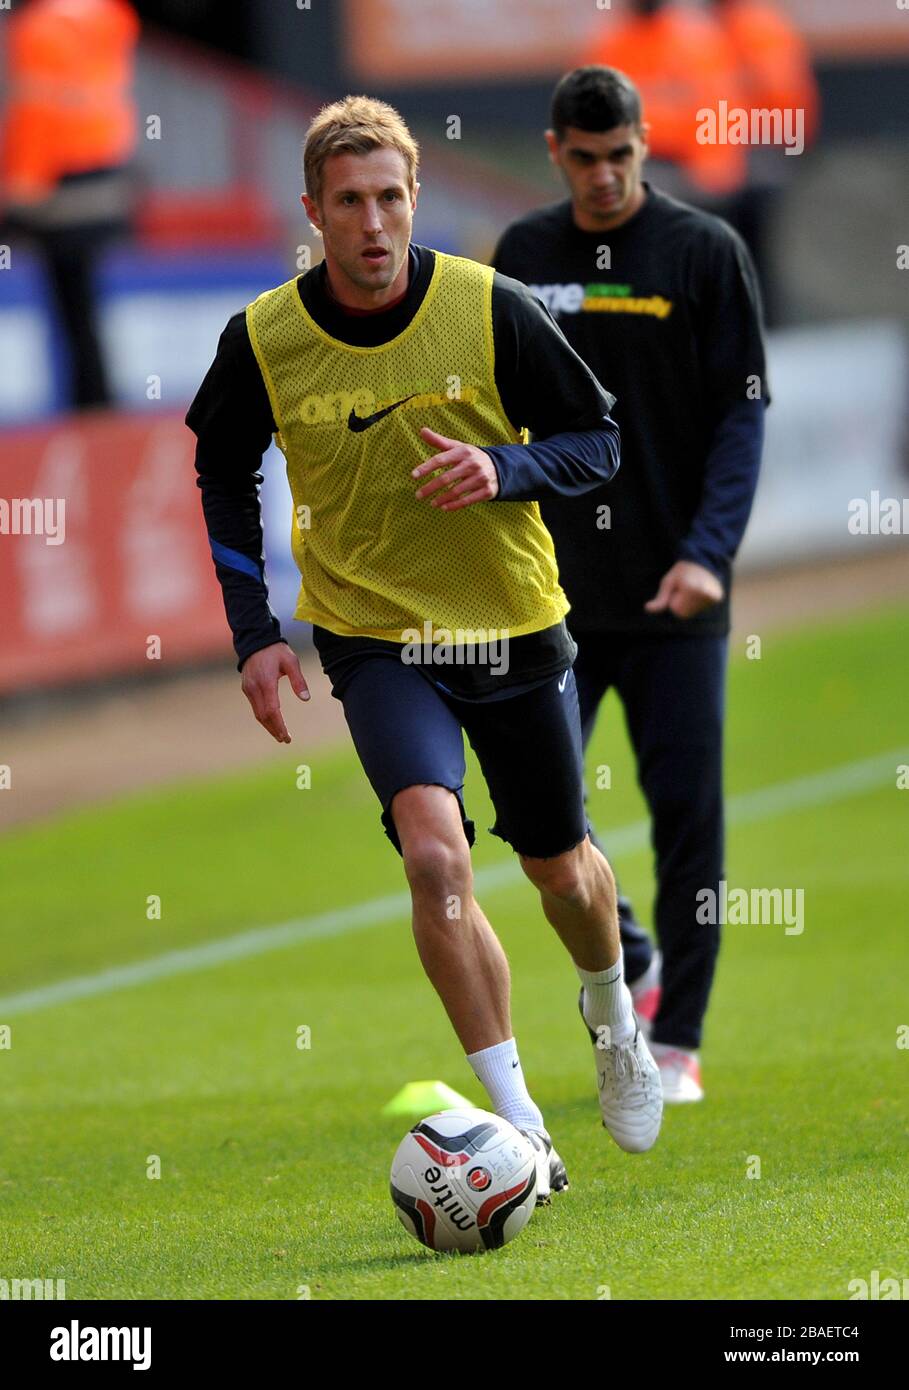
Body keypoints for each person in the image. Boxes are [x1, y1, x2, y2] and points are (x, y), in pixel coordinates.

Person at [186, 96, 663, 1200]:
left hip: (510, 623)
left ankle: (610, 1014)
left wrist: (505, 470)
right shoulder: (265, 337)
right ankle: (520, 1124)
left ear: (416, 198)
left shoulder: (487, 308)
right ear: (313, 210)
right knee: (436, 856)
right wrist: (254, 633)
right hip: (372, 636)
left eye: (390, 196)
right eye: (348, 201)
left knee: (561, 870)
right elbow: (219, 467)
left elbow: (598, 440)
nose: (372, 221)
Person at [492, 66, 769, 1102]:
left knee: (687, 811)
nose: (605, 177)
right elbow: (505, 418)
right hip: (550, 594)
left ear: (644, 147)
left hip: (678, 591)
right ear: (557, 152)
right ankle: (633, 951)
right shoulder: (523, 256)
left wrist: (711, 552)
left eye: (622, 157)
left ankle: (681, 1039)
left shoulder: (704, 252)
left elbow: (743, 418)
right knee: (536, 805)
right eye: (585, 157)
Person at [0, 0, 140, 409]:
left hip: (58, 184)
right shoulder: (107, 15)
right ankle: (97, 401)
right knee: (85, 303)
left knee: (69, 303)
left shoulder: (36, 29)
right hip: (106, 172)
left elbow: (36, 114)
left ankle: (90, 405)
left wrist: (20, 189)